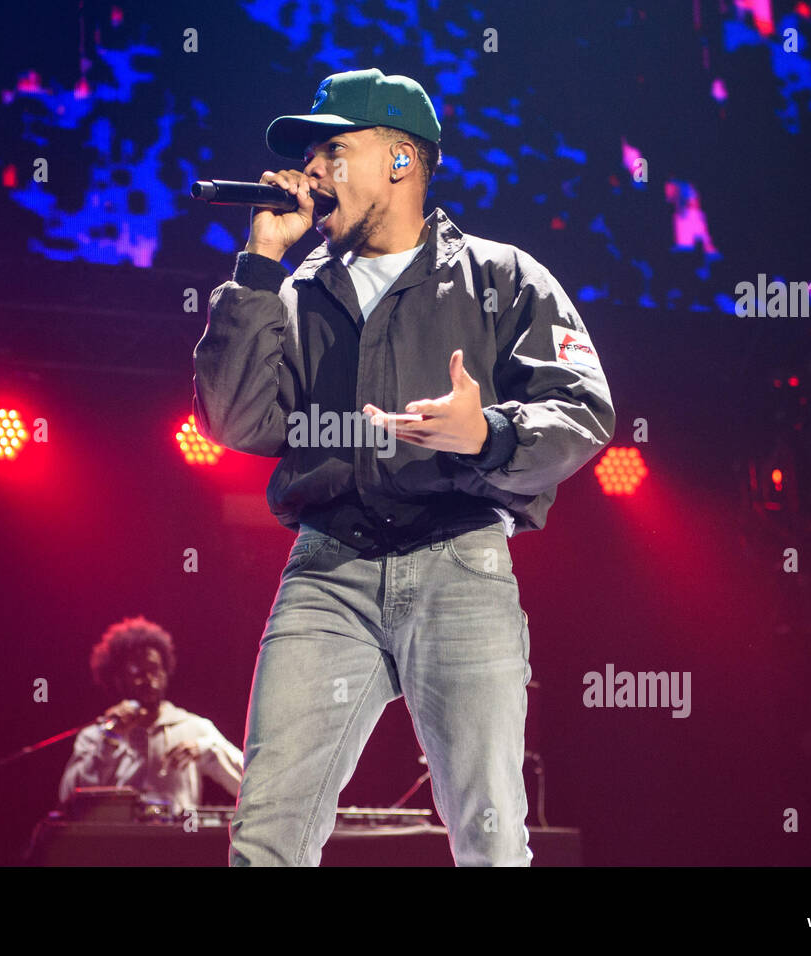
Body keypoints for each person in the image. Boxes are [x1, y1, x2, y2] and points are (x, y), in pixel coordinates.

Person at [192, 68, 616, 866]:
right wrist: (257, 264)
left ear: (399, 160)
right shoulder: (294, 294)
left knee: (490, 839)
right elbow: (229, 419)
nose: (310, 173)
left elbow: (584, 412)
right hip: (328, 573)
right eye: (307, 155)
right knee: (267, 838)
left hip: (458, 559)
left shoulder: (501, 278)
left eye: (332, 150)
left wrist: (485, 433)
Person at [57, 615, 243, 815]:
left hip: (178, 844)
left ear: (165, 672)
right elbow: (68, 798)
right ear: (117, 679)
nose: (149, 680)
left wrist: (208, 750)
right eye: (136, 673)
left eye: (154, 670)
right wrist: (109, 739)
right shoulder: (96, 735)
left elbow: (253, 784)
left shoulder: (193, 727)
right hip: (115, 843)